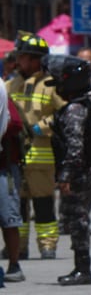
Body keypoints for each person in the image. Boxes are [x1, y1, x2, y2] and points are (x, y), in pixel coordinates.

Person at [6, 33, 62, 260]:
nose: (18, 60)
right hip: (16, 156)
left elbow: (63, 114)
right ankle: (17, 248)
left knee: (44, 204)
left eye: (23, 56)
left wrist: (44, 126)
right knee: (17, 205)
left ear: (35, 59)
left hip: (41, 156)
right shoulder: (11, 84)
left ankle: (47, 245)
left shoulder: (51, 85)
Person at [43, 55, 91, 285]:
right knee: (76, 219)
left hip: (77, 173)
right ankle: (81, 267)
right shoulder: (83, 105)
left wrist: (66, 175)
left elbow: (75, 147)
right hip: (82, 171)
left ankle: (83, 269)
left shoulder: (75, 109)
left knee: (78, 220)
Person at [0, 81, 24, 282]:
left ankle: (14, 264)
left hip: (4, 168)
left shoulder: (4, 98)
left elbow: (16, 123)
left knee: (9, 218)